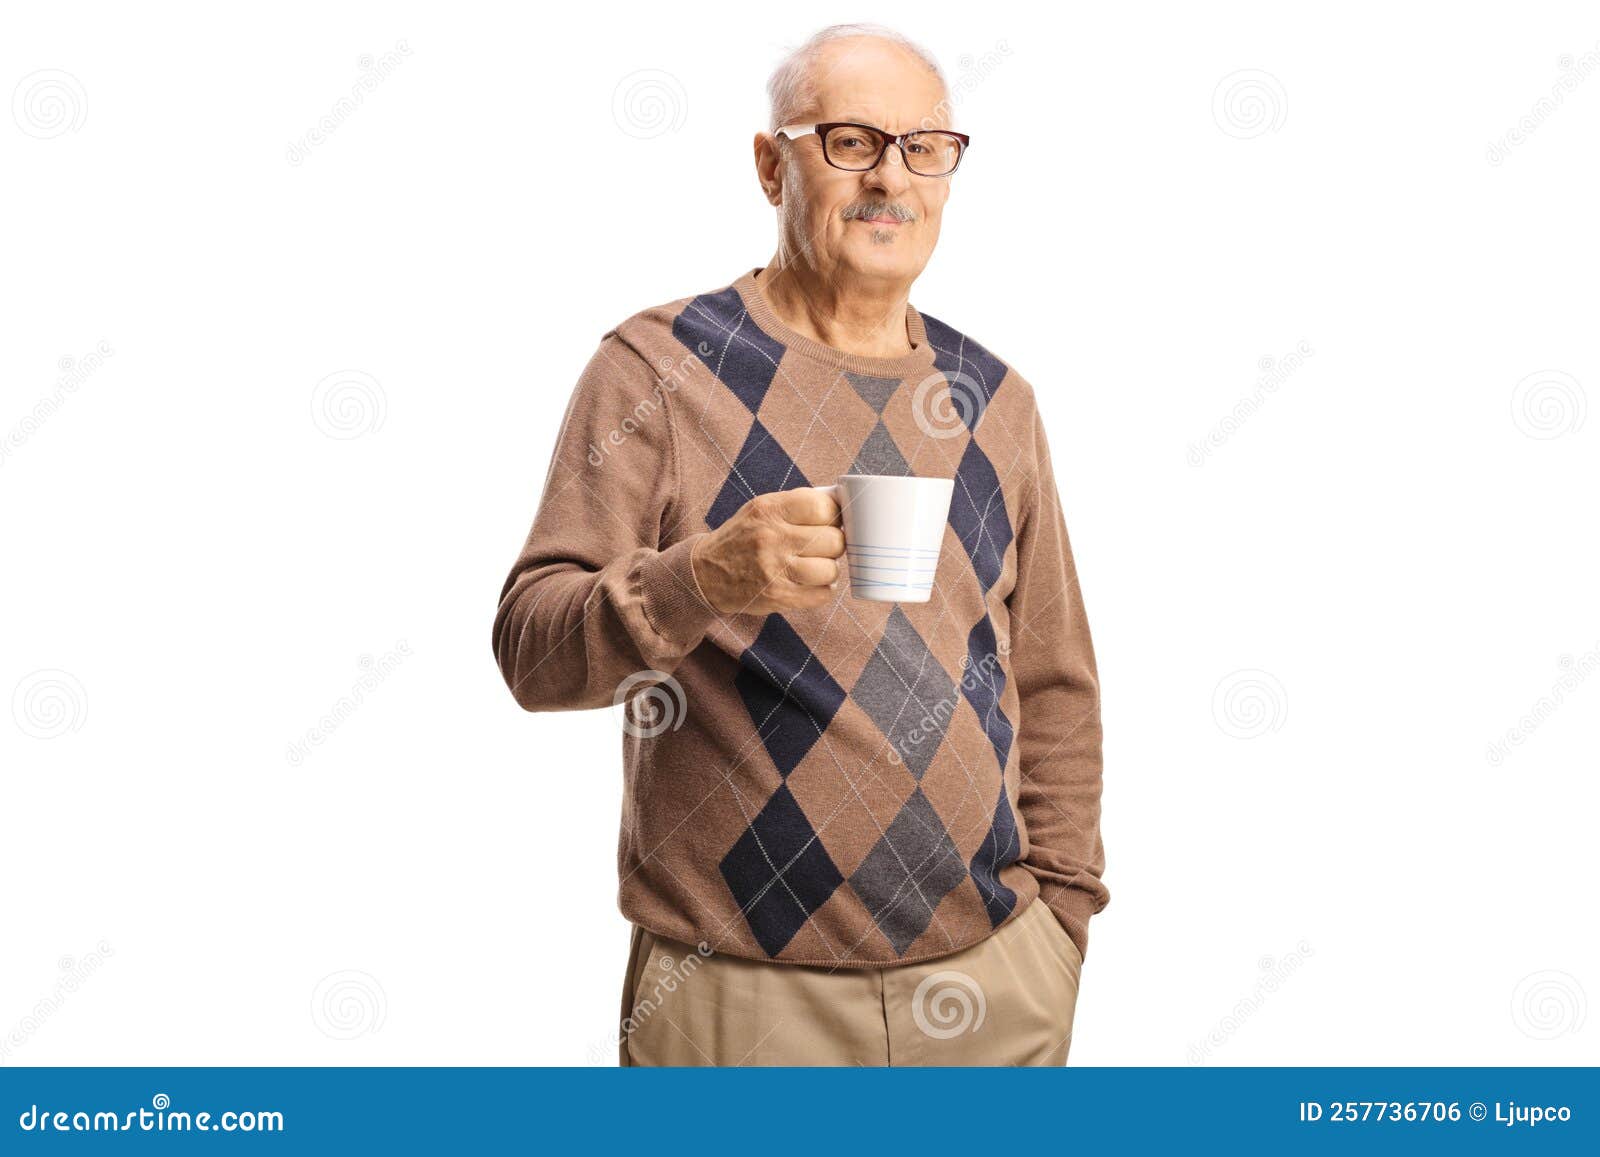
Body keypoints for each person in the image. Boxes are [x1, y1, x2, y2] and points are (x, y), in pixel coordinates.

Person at [493, 23, 1108, 1065]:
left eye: (923, 146)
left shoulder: (993, 400)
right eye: (852, 141)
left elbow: (1052, 682)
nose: (890, 179)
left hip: (992, 984)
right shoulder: (659, 367)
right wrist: (700, 580)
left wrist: (1058, 923)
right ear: (771, 164)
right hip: (738, 998)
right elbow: (531, 651)